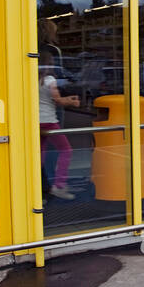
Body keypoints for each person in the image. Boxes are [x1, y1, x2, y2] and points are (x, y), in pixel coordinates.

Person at [40, 48, 81, 199]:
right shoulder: (50, 80)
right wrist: (72, 102)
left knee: (40, 156)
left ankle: (37, 187)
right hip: (49, 122)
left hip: (35, 122)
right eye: (50, 62)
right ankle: (59, 185)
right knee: (66, 150)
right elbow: (57, 99)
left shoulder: (31, 78)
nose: (52, 65)